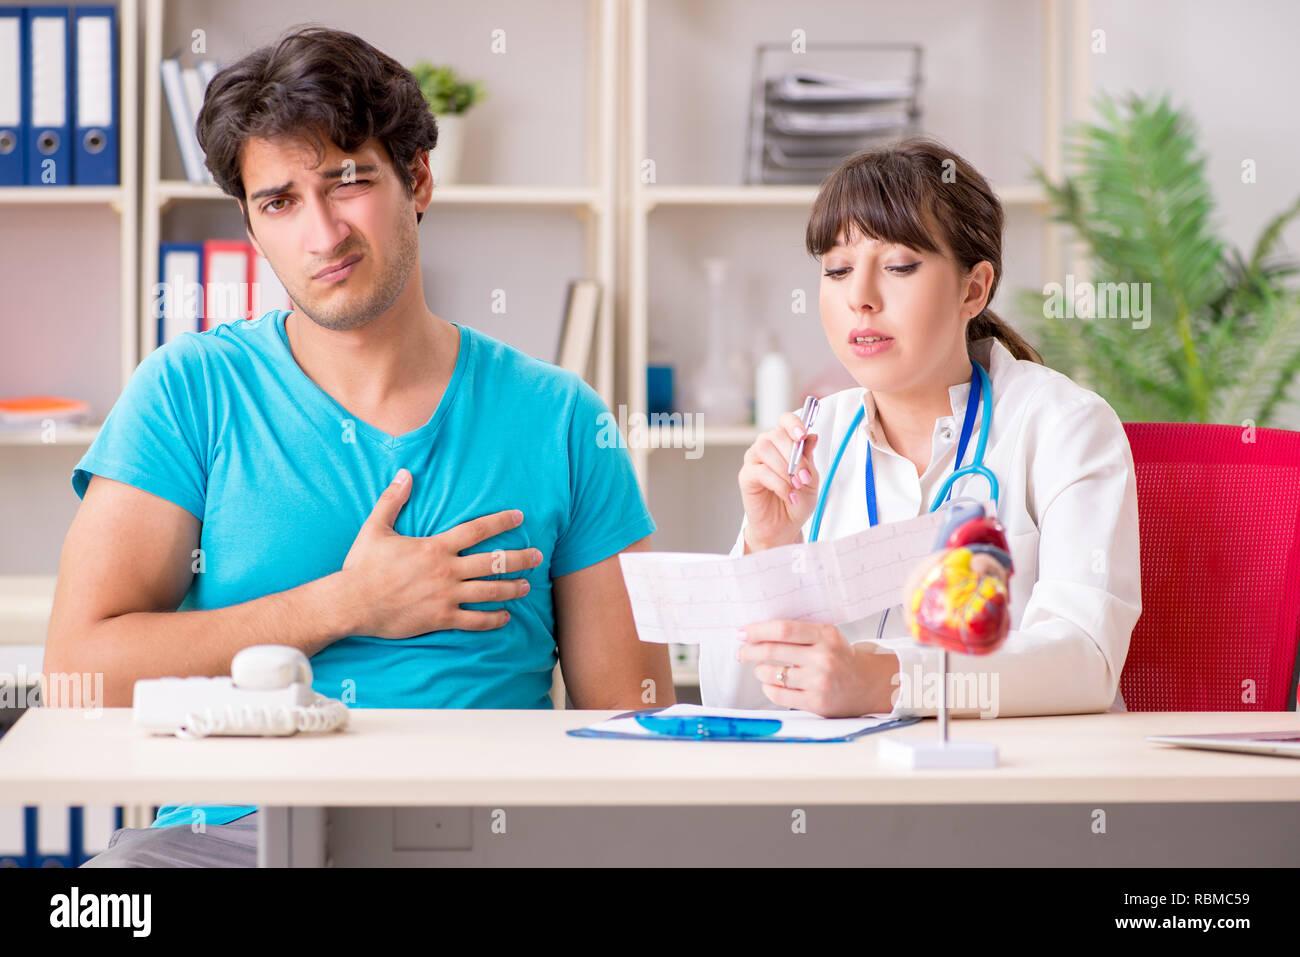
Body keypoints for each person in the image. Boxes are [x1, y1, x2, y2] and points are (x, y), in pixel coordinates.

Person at [45, 25, 672, 867]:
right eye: (280, 201)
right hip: (238, 834)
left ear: (416, 178)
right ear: (250, 223)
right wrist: (345, 603)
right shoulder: (187, 391)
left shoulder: (559, 415)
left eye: (347, 181)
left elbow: (634, 719)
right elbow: (79, 676)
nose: (322, 234)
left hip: (485, 834)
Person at [700, 139, 1141, 720]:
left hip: (1019, 786)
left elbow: (1084, 659)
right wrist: (769, 545)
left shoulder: (1064, 426)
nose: (860, 298)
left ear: (973, 288)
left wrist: (884, 679)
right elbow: (730, 698)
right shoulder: (814, 440)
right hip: (841, 792)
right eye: (837, 270)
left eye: (900, 266)